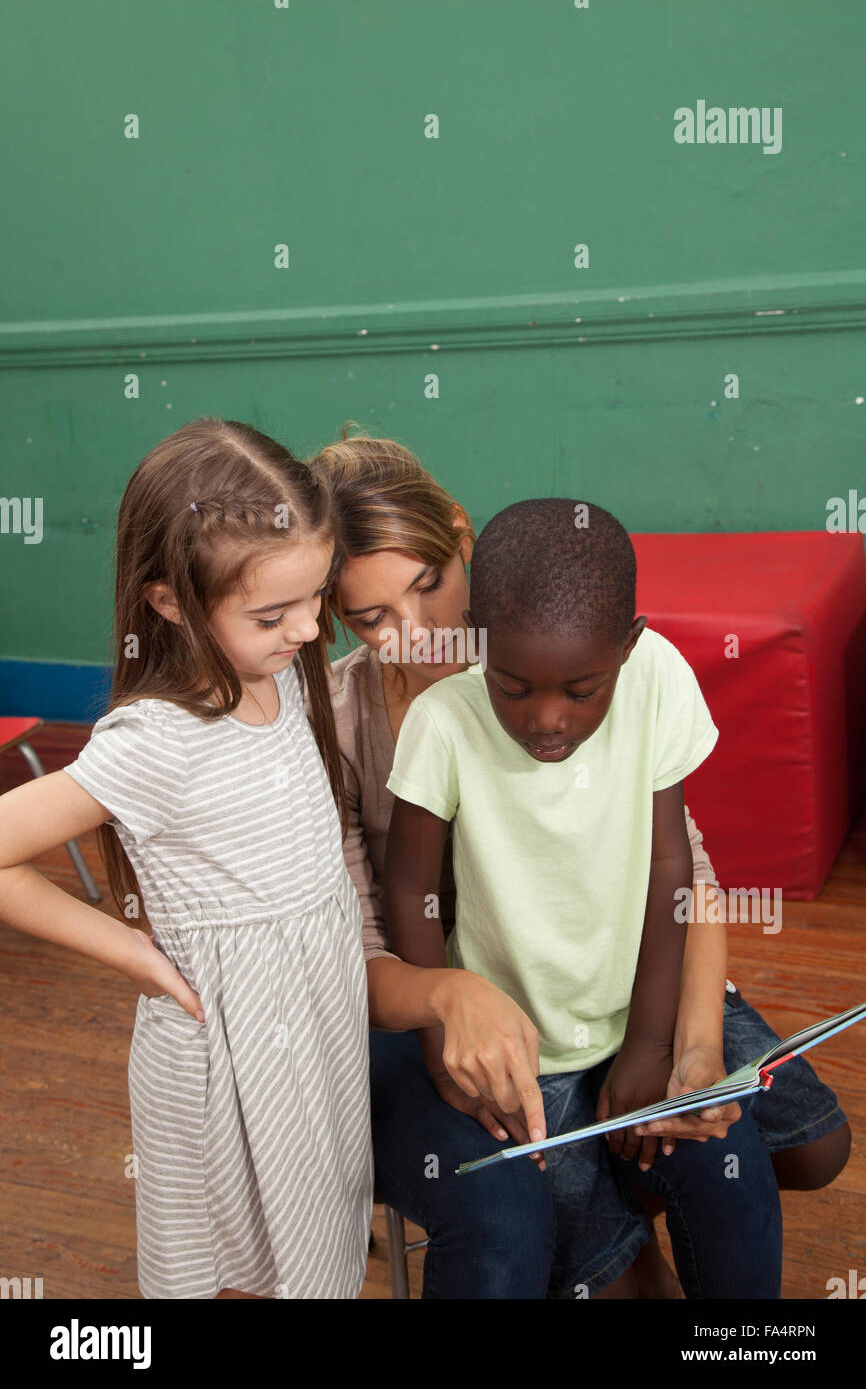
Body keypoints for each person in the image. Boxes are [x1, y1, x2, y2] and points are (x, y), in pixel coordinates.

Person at [309, 431, 851, 1299]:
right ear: (331, 612)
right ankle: (610, 1193)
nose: (414, 635)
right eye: (370, 617)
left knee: (806, 1145)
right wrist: (445, 1014)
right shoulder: (368, 723)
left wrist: (684, 1040)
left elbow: (681, 869)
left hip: (620, 967)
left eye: (427, 587)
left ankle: (625, 1162)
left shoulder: (563, 645)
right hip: (472, 999)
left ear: (463, 542)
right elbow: (375, 924)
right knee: (632, 1270)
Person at [0, 417, 374, 1299]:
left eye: (317, 597)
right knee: (230, 1255)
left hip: (315, 1026)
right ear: (169, 601)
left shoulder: (280, 676)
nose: (309, 629)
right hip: (225, 1050)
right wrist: (132, 952)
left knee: (314, 1243)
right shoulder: (153, 740)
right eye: (274, 614)